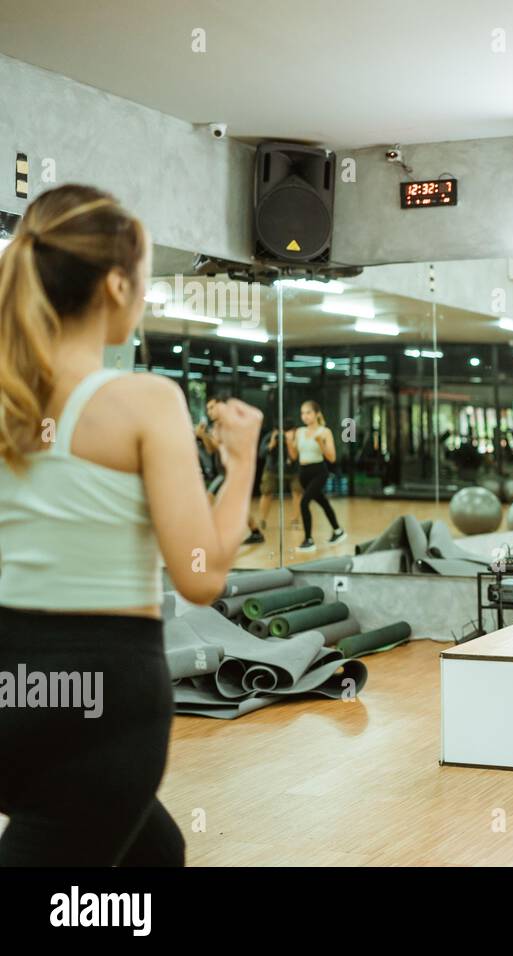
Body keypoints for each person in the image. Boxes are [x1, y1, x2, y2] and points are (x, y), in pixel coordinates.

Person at [0, 184, 262, 865]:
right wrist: (239, 468)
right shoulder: (144, 401)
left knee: (154, 854)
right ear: (116, 284)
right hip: (102, 700)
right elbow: (201, 577)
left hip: (13, 684)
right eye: (145, 279)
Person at [198, 394, 263, 545]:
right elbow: (211, 449)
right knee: (232, 503)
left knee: (209, 498)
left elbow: (217, 443)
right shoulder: (216, 426)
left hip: (230, 471)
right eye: (208, 409)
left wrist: (203, 435)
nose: (210, 411)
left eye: (212, 407)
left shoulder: (229, 424)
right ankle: (255, 531)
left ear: (222, 406)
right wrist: (203, 436)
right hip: (223, 471)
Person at [287, 400, 345, 552]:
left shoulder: (325, 432)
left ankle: (308, 540)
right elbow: (294, 456)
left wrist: (321, 443)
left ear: (316, 414)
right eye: (302, 413)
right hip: (303, 472)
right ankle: (338, 531)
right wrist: (288, 442)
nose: (305, 416)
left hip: (319, 472)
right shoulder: (299, 432)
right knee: (323, 502)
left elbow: (332, 458)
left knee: (304, 502)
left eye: (308, 412)